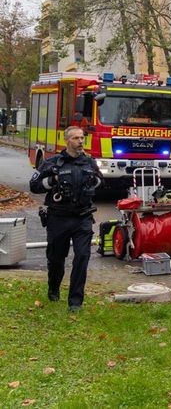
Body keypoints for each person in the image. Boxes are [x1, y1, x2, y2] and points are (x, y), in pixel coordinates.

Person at [29, 126, 100, 312]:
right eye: (76, 138)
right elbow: (34, 186)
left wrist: (92, 184)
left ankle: (75, 302)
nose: (80, 141)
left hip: (82, 218)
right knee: (56, 258)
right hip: (58, 218)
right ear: (67, 141)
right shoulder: (52, 163)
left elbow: (101, 181)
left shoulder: (90, 162)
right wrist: (52, 181)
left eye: (82, 138)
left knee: (82, 257)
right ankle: (54, 288)